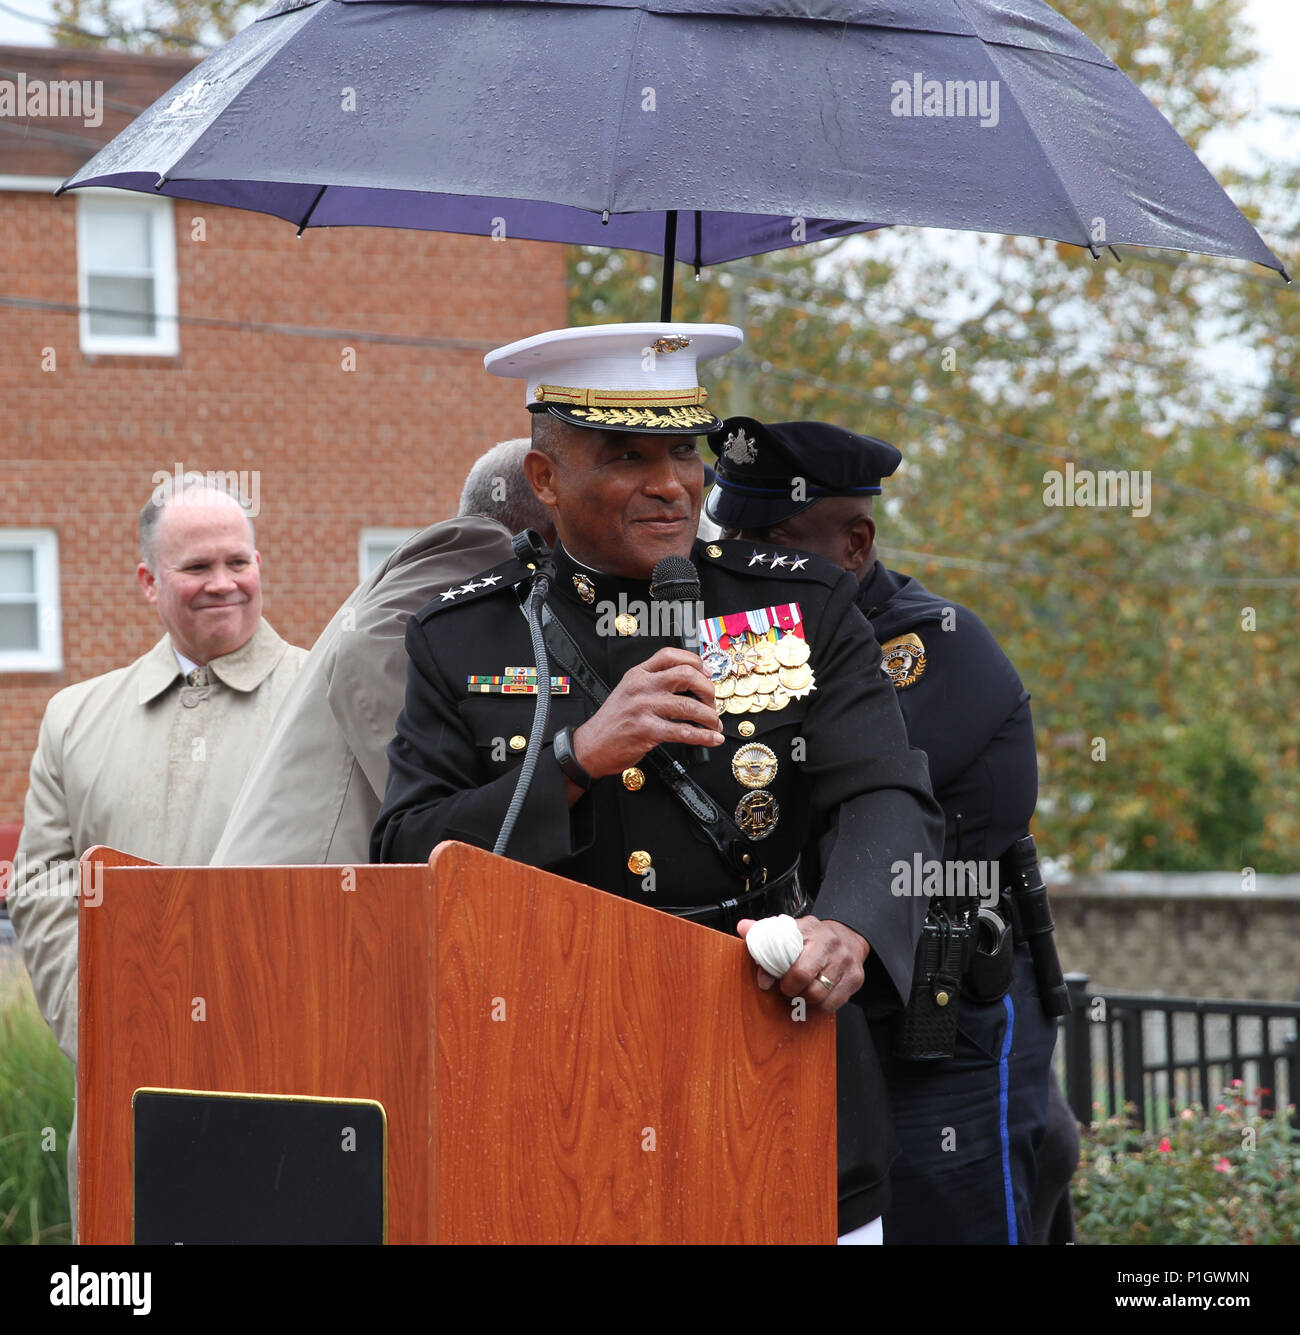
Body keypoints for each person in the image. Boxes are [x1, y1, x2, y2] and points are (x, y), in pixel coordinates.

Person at [371, 323, 943, 1242]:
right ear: (546, 478)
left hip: (769, 1044)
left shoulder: (798, 606)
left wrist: (850, 927)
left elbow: (886, 794)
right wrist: (574, 759)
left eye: (685, 449)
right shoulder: (464, 637)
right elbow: (409, 851)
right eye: (626, 456)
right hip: (560, 1074)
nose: (671, 483)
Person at [705, 415, 1072, 1245]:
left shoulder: (927, 645)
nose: (739, 559)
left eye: (771, 539)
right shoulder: (750, 642)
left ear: (856, 543)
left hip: (944, 1024)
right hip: (821, 1003)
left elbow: (822, 791)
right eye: (729, 535)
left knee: (948, 1219)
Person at [8, 474, 307, 1231]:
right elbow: (42, 886)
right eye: (196, 567)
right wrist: (108, 1030)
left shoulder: (325, 701)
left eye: (237, 561)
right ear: (148, 581)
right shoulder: (73, 719)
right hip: (125, 1102)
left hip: (292, 1090)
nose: (223, 583)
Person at [211, 440, 555, 866]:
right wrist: (433, 796)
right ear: (546, 512)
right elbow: (366, 652)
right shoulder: (486, 545)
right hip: (307, 893)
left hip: (285, 884)